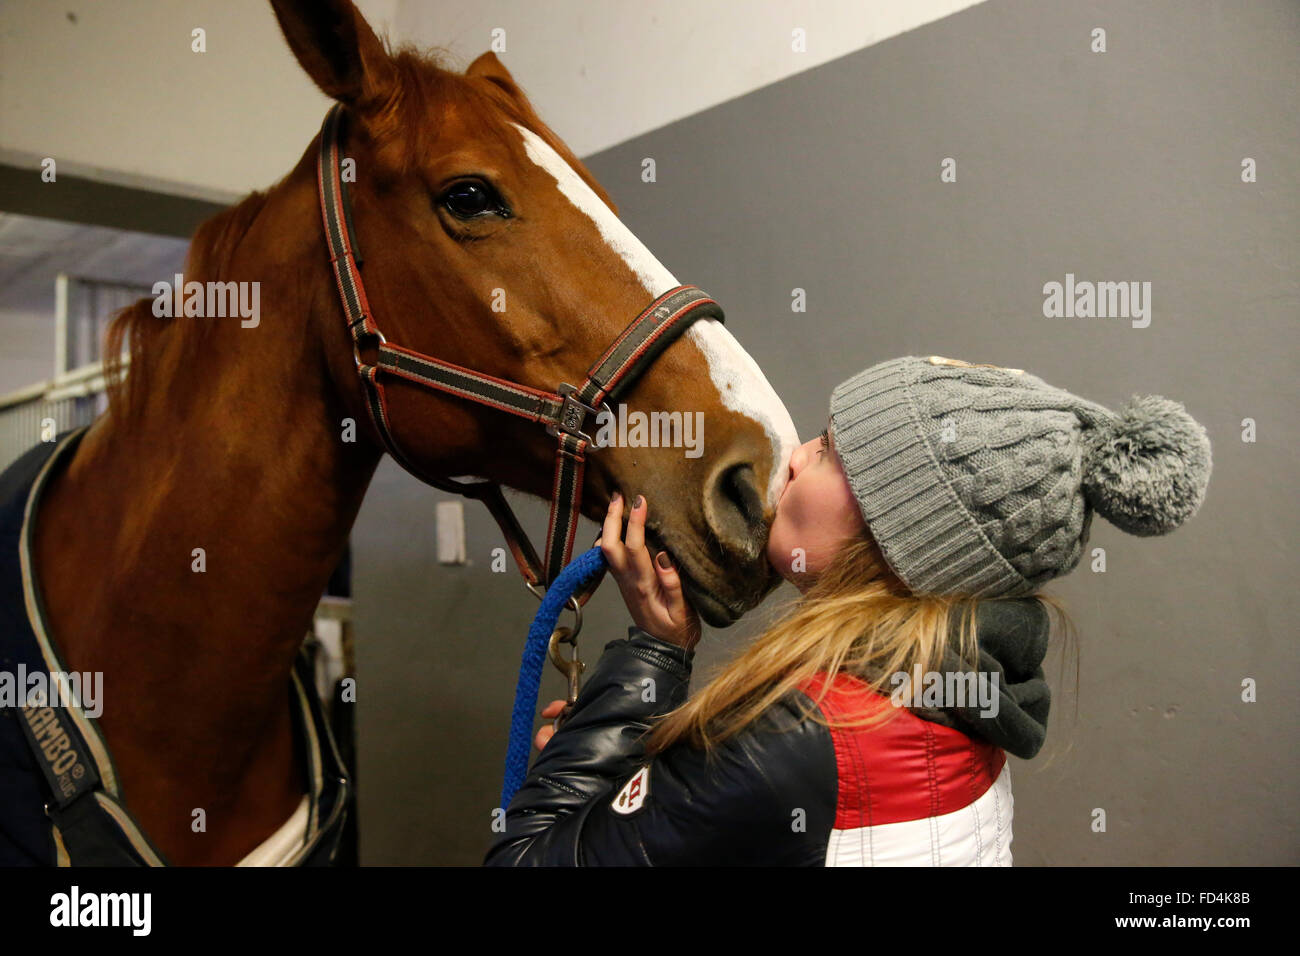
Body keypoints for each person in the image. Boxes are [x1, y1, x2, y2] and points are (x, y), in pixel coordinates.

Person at [484, 355, 1212, 866]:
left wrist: (636, 683)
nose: (796, 457)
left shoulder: (793, 736)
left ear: (901, 534)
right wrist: (628, 771)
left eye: (831, 451)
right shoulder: (961, 692)